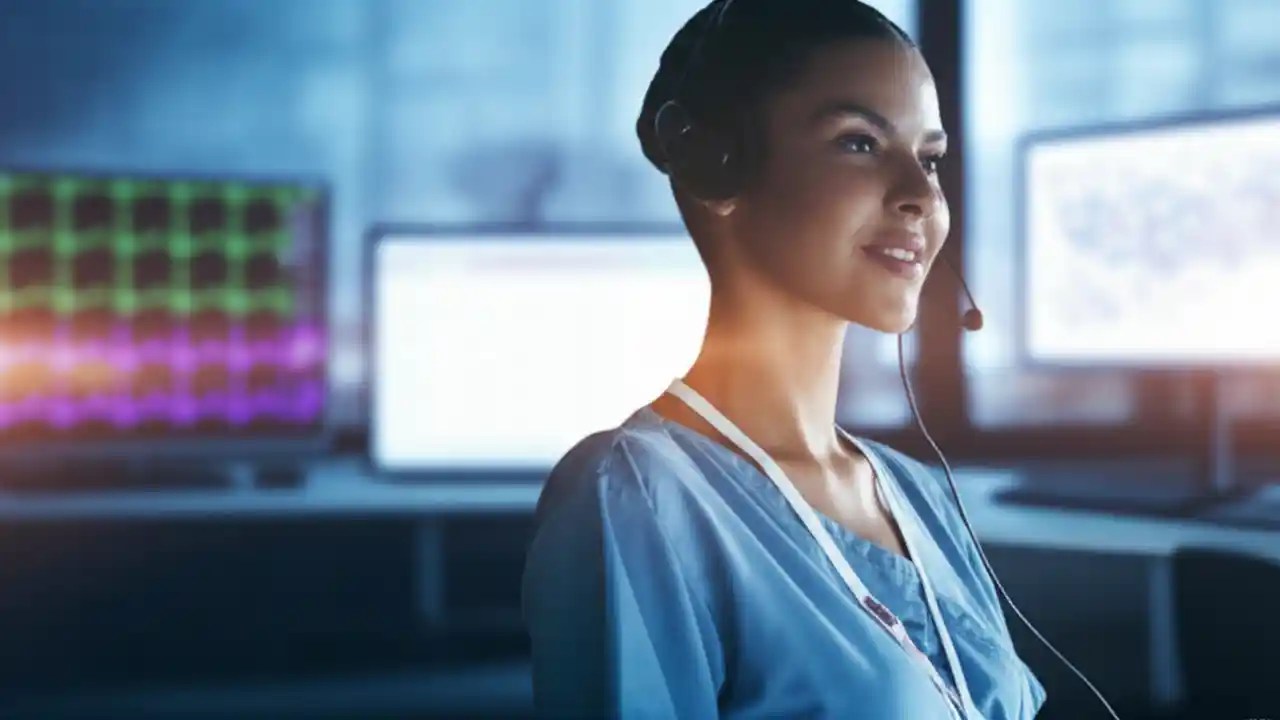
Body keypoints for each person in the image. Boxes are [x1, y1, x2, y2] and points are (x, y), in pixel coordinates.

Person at [521, 0, 1048, 717]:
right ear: (713, 160)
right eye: (860, 142)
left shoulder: (915, 492)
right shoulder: (637, 496)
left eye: (930, 159)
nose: (922, 196)